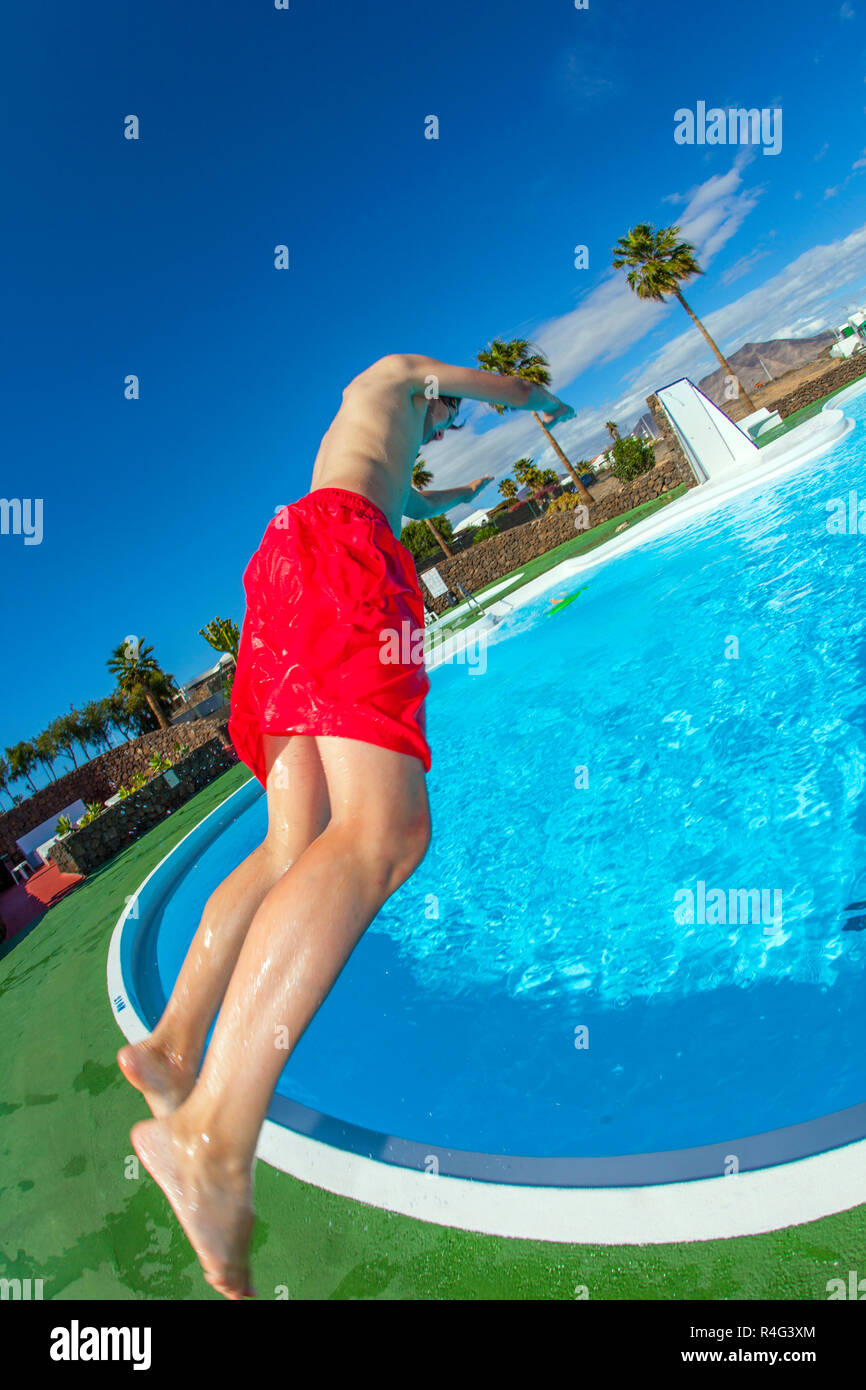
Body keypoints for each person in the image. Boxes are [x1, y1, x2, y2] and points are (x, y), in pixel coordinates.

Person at [117, 353, 575, 1298]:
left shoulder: (377, 464)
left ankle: (171, 1047)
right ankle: (207, 1138)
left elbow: (412, 499)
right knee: (383, 835)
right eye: (442, 416)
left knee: (296, 842)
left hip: (289, 572)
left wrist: (462, 486)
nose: (437, 427)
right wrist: (531, 394)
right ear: (434, 401)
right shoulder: (391, 382)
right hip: (342, 558)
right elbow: (414, 370)